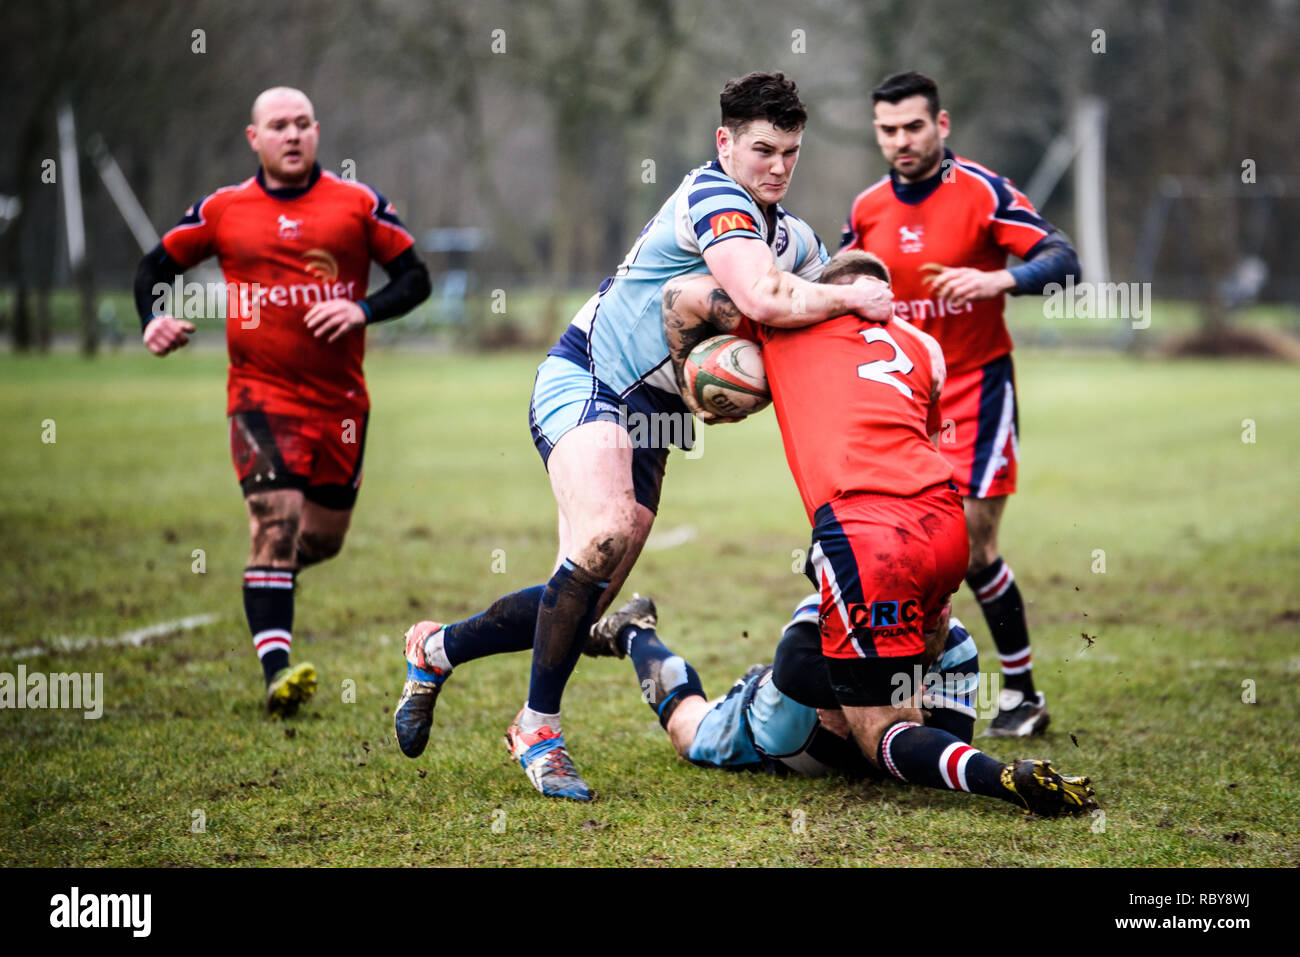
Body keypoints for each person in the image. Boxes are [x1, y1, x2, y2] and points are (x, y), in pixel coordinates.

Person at [393, 72, 895, 802]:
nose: (779, 166)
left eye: (791, 151)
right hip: (588, 378)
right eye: (763, 148)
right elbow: (762, 296)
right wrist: (848, 295)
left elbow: (826, 304)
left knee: (583, 597)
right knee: (603, 536)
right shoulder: (713, 198)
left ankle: (437, 649)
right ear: (725, 142)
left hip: (653, 421)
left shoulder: (795, 238)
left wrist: (865, 299)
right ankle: (537, 725)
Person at [657, 250, 1096, 814]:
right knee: (917, 660)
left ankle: (1002, 780)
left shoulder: (780, 324)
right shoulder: (923, 345)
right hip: (943, 519)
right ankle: (907, 718)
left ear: (825, 291)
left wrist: (691, 389)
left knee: (878, 728)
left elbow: (683, 295)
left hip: (864, 531)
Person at [133, 87, 431, 716]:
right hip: (258, 395)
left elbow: (415, 278)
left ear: (317, 131)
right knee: (275, 521)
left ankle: (269, 580)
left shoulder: (358, 204)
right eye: (278, 126)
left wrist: (363, 308)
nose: (291, 135)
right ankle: (277, 673)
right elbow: (156, 266)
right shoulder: (223, 209)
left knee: (322, 539)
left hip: (342, 404)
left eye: (301, 124)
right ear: (255, 138)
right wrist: (151, 319)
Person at [841, 72, 1082, 737]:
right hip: (901, 405)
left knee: (970, 547)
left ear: (940, 125)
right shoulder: (865, 210)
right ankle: (905, 693)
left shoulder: (981, 192)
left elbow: (1065, 261)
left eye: (913, 126)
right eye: (888, 130)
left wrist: (998, 277)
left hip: (978, 391)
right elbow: (838, 292)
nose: (902, 141)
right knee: (901, 550)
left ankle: (1022, 693)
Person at [587, 593, 987, 785]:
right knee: (684, 729)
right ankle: (633, 632)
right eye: (922, 617)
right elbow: (794, 669)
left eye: (942, 612)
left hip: (825, 749)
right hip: (771, 717)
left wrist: (868, 713)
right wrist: (858, 700)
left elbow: (952, 742)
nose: (932, 626)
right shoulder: (849, 592)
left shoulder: (955, 645)